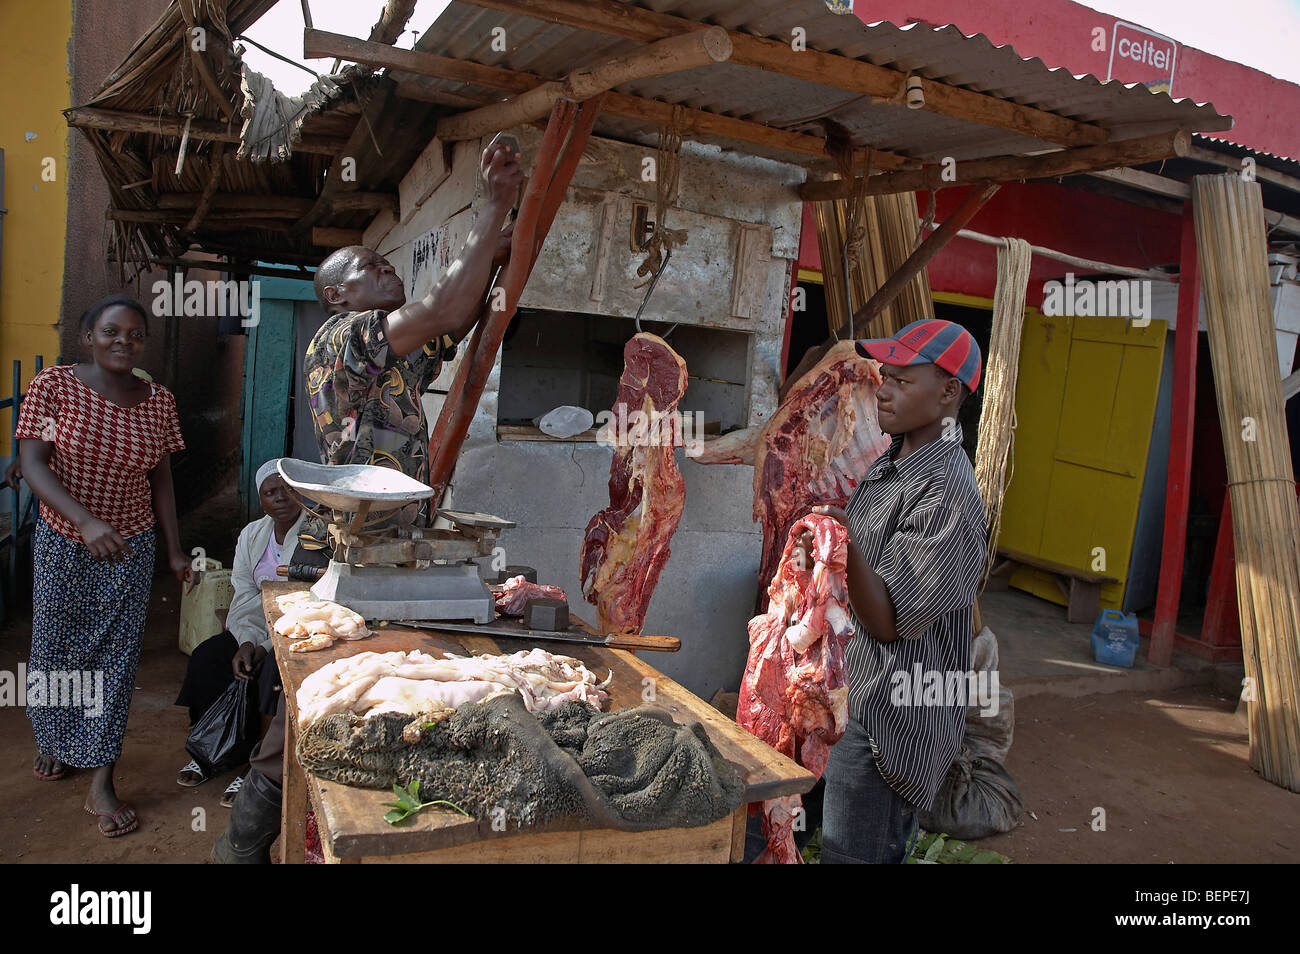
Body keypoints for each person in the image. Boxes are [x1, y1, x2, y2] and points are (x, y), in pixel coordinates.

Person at [213, 137, 523, 862]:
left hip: (387, 549)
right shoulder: (341, 338)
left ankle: (283, 838)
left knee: (352, 706)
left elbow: (460, 309)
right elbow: (448, 304)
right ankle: (244, 846)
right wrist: (493, 209)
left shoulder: (392, 354)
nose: (389, 273)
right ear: (336, 294)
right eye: (373, 268)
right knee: (314, 709)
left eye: (390, 266)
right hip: (341, 550)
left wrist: (503, 247)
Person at [752, 318, 987, 864]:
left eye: (904, 381)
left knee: (850, 856)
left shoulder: (948, 490)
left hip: (887, 723)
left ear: (949, 392)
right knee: (778, 835)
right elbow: (859, 575)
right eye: (887, 376)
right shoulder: (892, 462)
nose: (884, 389)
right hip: (842, 694)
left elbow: (887, 618)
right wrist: (827, 542)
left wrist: (844, 542)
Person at [15, 294, 192, 838]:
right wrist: (86, 522)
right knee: (56, 649)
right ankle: (57, 739)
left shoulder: (159, 402)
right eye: (111, 332)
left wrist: (174, 549)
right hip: (65, 538)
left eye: (135, 335)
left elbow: (160, 480)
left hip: (129, 547)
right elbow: (31, 463)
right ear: (88, 337)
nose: (124, 342)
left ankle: (101, 780)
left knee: (115, 660)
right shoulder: (53, 387)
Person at [174, 460, 306, 807]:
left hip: (297, 628)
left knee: (271, 679)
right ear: (261, 500)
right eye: (270, 492)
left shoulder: (316, 534)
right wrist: (247, 641)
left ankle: (257, 767)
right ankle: (211, 749)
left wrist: (264, 647)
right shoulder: (251, 535)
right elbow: (244, 593)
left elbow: (308, 600)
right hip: (252, 624)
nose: (280, 497)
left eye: (287, 489)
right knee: (207, 658)